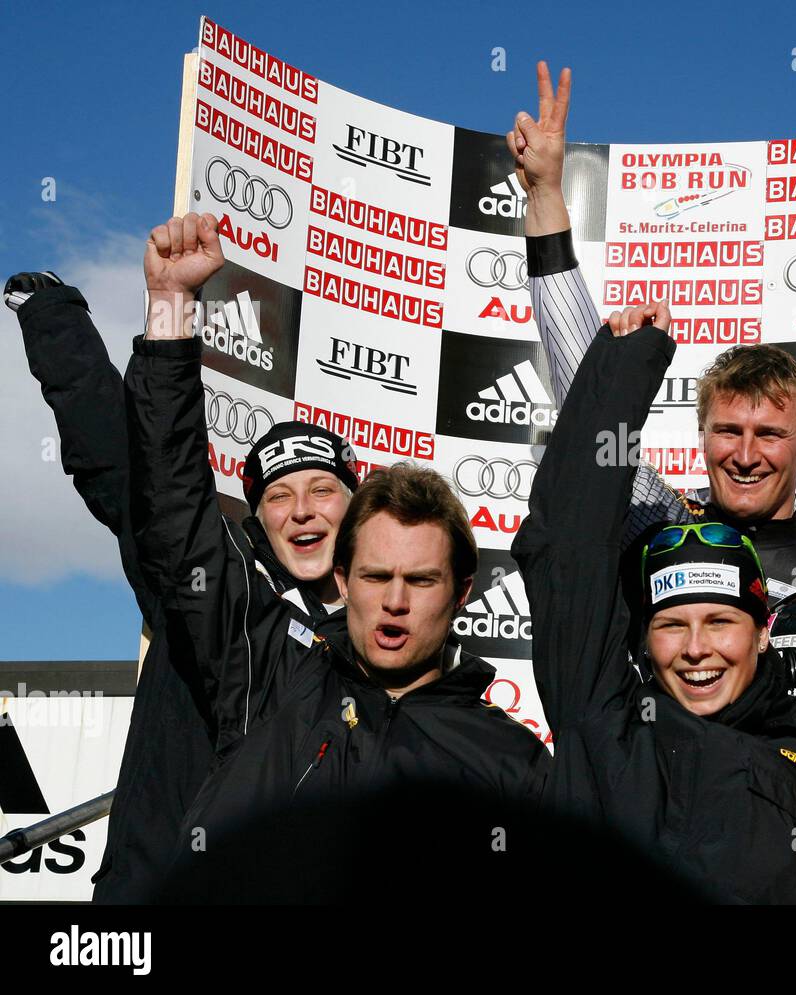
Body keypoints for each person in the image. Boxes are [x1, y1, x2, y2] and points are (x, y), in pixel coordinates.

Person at [125, 213, 549, 898]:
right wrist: (172, 308)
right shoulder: (272, 671)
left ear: (464, 589)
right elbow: (175, 512)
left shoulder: (514, 763)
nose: (395, 600)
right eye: (377, 575)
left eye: (420, 578)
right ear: (345, 578)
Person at [6, 232, 362, 899]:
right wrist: (60, 321)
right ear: (257, 518)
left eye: (323, 490)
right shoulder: (204, 577)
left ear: (358, 509)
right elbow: (123, 456)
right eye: (279, 496)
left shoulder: (390, 636)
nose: (303, 510)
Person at [512, 301, 796, 904]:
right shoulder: (609, 723)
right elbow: (575, 525)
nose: (697, 647)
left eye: (721, 621)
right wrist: (625, 358)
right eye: (673, 623)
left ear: (765, 630)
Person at [508, 64, 796, 604]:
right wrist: (544, 196)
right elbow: (592, 401)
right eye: (727, 430)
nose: (745, 455)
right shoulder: (669, 525)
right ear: (700, 435)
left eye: (769, 433)